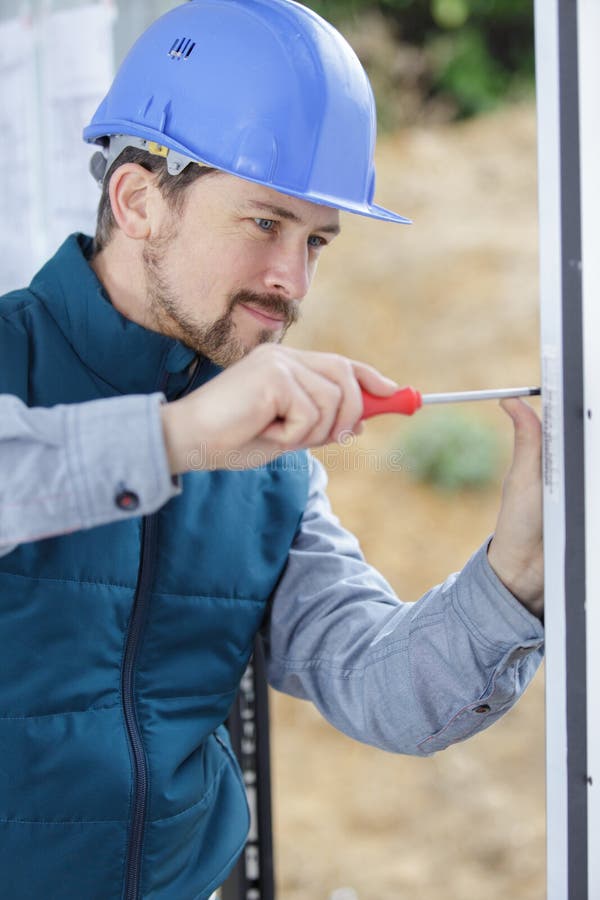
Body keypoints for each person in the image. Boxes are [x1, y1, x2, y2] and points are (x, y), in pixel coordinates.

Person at [0, 1, 544, 898]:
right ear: (137, 200)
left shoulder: (269, 465)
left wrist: (519, 573)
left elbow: (381, 686)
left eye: (317, 241)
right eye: (264, 224)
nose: (292, 282)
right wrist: (179, 440)